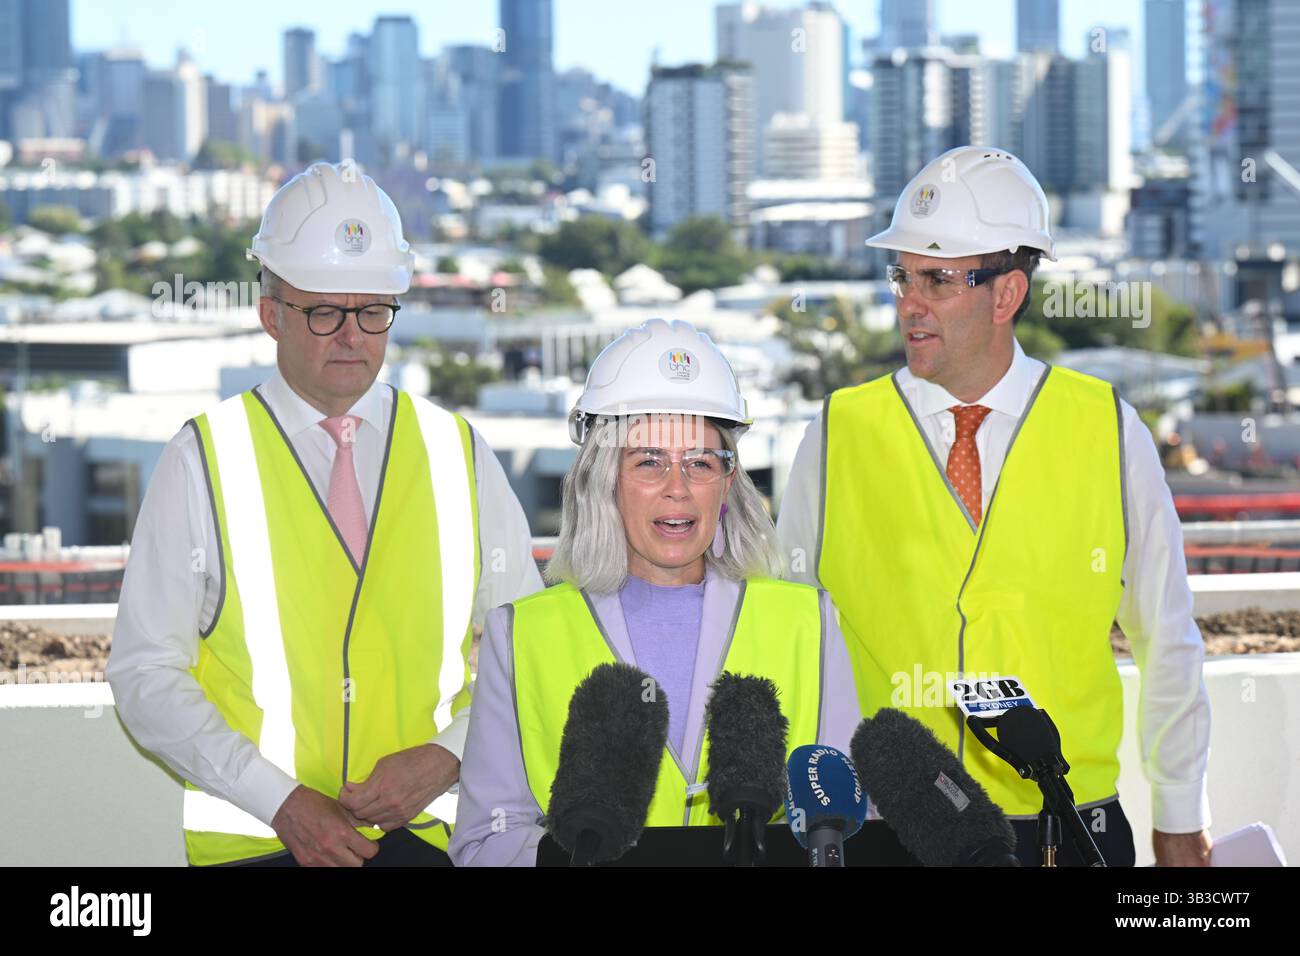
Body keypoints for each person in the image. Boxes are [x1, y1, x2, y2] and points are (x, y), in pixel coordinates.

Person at [776, 146, 1213, 867]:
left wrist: (1180, 812)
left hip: (1066, 831)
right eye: (903, 276)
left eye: (938, 279)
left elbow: (1166, 635)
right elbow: (792, 628)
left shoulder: (1107, 428)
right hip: (888, 832)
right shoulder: (835, 433)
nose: (909, 302)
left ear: (1006, 294)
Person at [107, 162, 543, 867]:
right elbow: (144, 673)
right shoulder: (203, 459)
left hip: (429, 840)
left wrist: (448, 756)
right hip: (258, 843)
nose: (352, 336)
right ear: (271, 314)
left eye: (373, 311)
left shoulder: (457, 452)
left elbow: (527, 652)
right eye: (324, 313)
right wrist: (279, 800)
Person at [450, 318, 860, 866]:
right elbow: (486, 840)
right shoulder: (519, 633)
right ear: (604, 478)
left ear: (727, 481)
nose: (677, 488)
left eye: (700, 463)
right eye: (649, 462)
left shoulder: (809, 622)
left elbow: (846, 825)